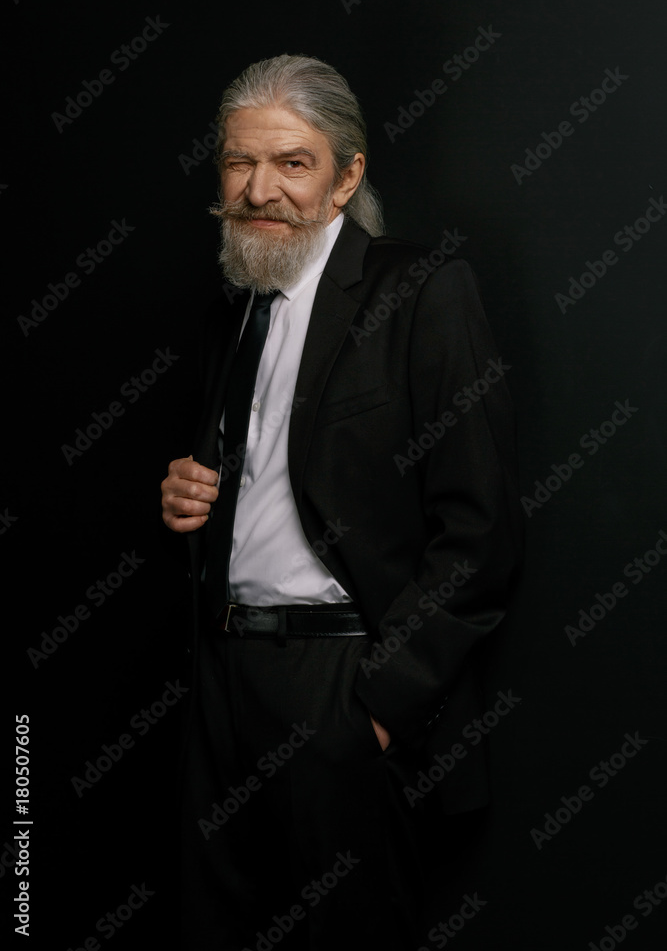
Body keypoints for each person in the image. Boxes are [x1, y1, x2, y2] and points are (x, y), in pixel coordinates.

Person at [160, 53, 522, 951]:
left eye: (292, 162)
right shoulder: (232, 306)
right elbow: (258, 496)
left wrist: (381, 705)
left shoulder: (421, 290)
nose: (259, 189)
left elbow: (480, 531)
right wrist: (185, 503)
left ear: (345, 175)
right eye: (239, 163)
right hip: (222, 678)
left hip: (341, 683)